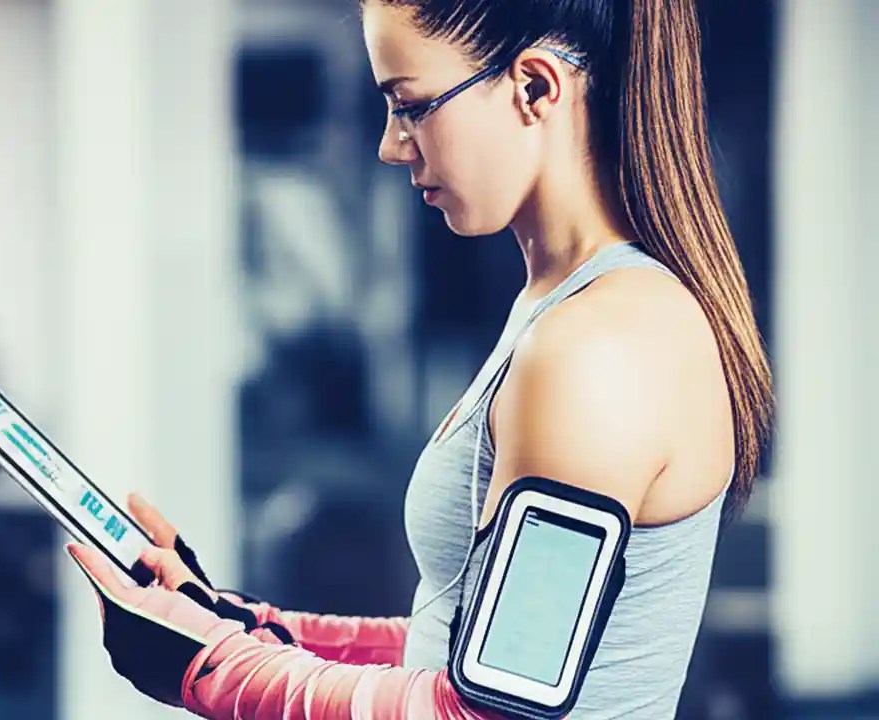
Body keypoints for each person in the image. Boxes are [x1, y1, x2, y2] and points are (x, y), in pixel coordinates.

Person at [67, 0, 775, 717]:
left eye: (411, 106)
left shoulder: (600, 349)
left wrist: (212, 668)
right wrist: (233, 622)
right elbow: (461, 653)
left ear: (535, 87)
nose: (391, 145)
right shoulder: (562, 311)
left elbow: (488, 711)